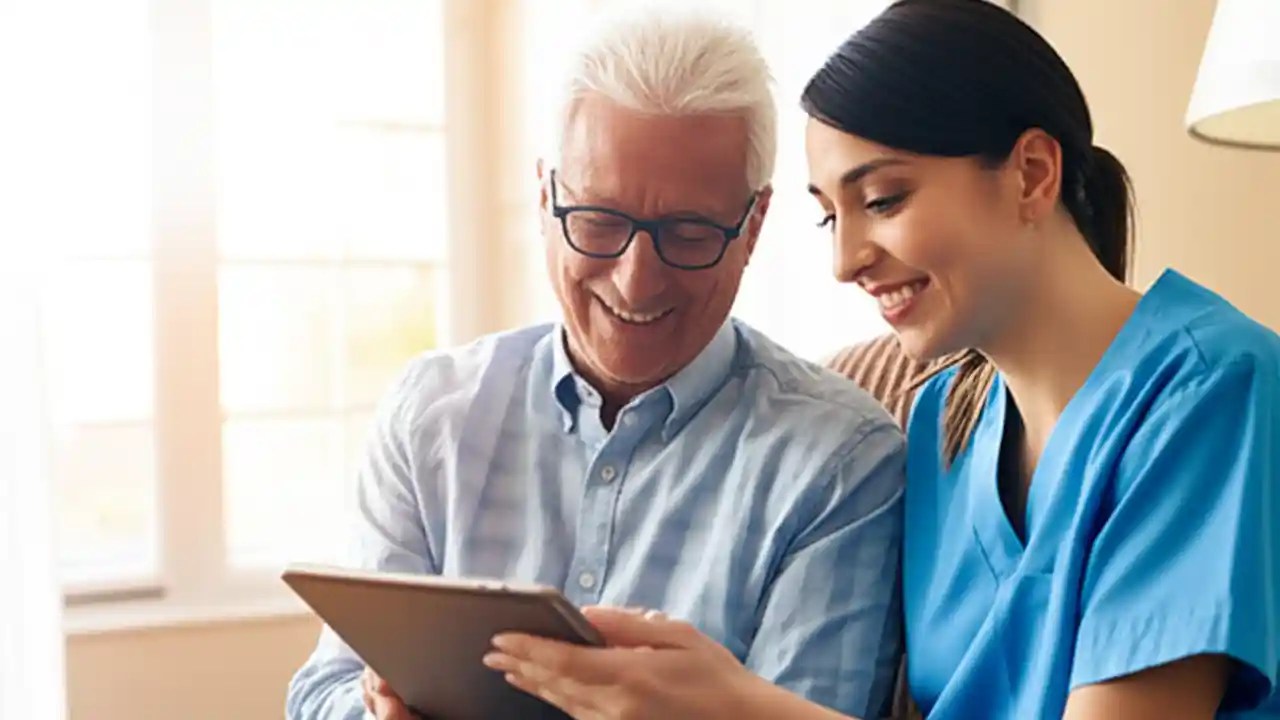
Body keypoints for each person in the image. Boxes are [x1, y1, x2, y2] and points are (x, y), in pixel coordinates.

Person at [483, 1, 1280, 718]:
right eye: (830, 216)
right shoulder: (942, 420)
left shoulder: (1214, 387)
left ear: (1032, 174)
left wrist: (735, 708)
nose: (847, 261)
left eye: (883, 200)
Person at [285, 8, 908, 720]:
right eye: (600, 222)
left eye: (688, 232)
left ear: (753, 226)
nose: (636, 282)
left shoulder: (839, 463)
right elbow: (324, 690)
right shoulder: (432, 415)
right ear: (546, 196)